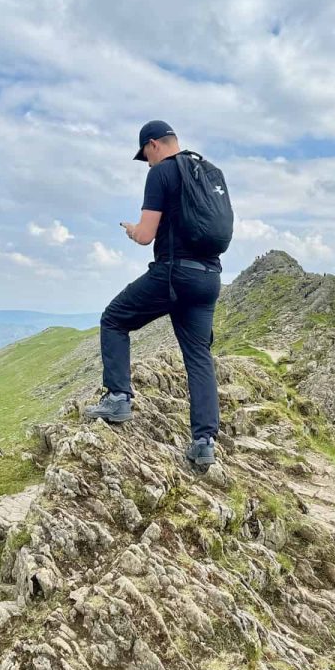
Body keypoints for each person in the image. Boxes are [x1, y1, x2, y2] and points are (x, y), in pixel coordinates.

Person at [84, 121, 228, 467]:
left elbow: (147, 235)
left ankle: (118, 397)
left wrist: (133, 231)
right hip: (209, 277)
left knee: (114, 318)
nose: (146, 163)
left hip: (175, 274)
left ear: (153, 145)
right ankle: (204, 442)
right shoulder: (210, 171)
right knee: (198, 357)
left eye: (144, 156)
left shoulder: (162, 173)